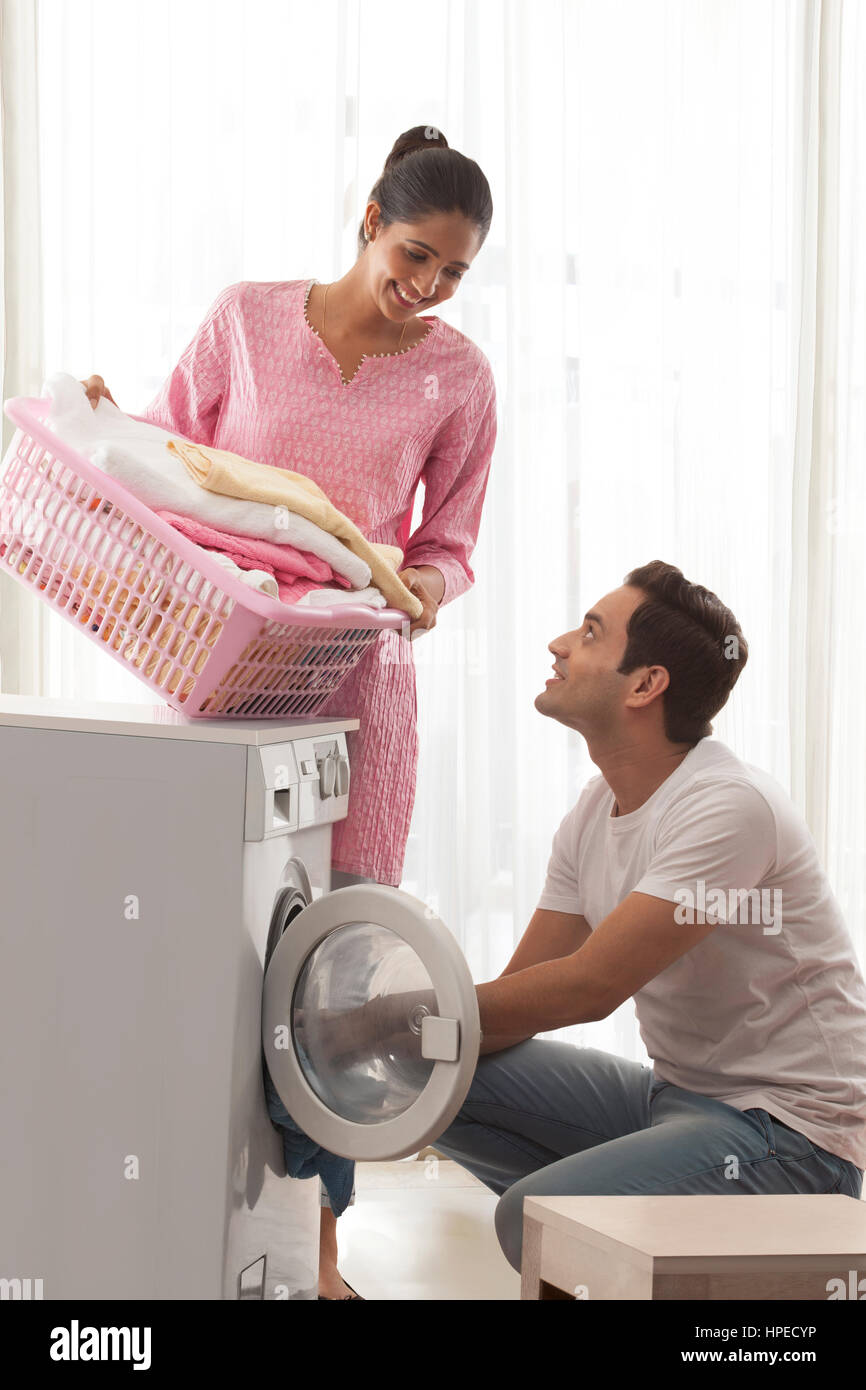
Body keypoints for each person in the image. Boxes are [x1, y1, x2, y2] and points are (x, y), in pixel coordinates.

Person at [80, 125, 498, 1300]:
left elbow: (450, 547)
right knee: (203, 948)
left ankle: (314, 1247)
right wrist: (112, 422)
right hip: (222, 675)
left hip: (361, 691)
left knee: (333, 975)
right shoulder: (246, 321)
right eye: (413, 255)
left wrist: (427, 589)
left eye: (452, 274)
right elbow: (173, 468)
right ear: (369, 217)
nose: (424, 290)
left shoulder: (456, 375)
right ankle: (168, 1212)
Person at [420, 559, 866, 1272]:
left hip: (792, 1137)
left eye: (591, 633)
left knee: (531, 1219)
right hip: (678, 1101)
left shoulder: (728, 806)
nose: (559, 644)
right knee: (438, 1074)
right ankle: (613, 1247)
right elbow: (517, 1003)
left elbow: (589, 989)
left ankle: (602, 1246)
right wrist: (397, 1045)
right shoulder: (595, 810)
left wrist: (405, 1019)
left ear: (645, 684)